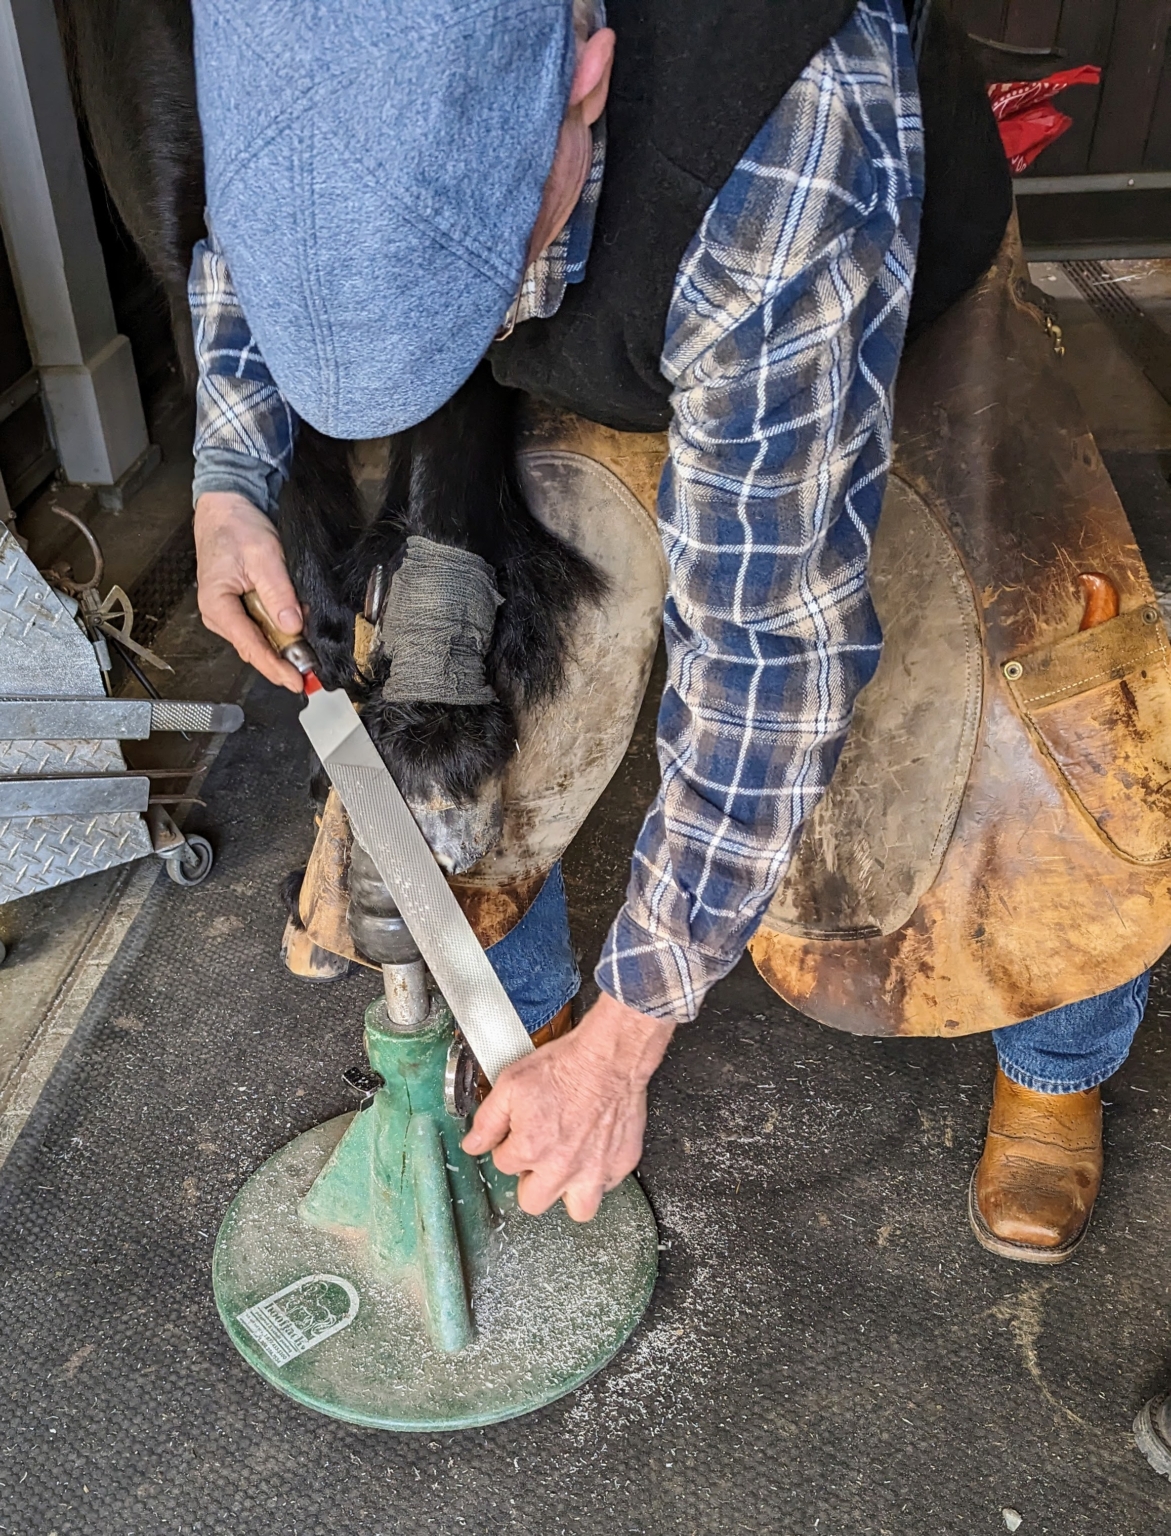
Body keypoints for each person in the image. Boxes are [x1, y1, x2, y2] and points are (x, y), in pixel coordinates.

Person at [187, 0, 1153, 1250]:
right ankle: (518, 1023)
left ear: (585, 74)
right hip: (596, 303)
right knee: (468, 684)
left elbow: (767, 656)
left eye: (482, 283)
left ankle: (1056, 1059)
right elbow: (261, 210)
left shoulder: (789, 148)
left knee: (1007, 727)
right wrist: (226, 476)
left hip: (854, 285)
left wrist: (634, 1033)